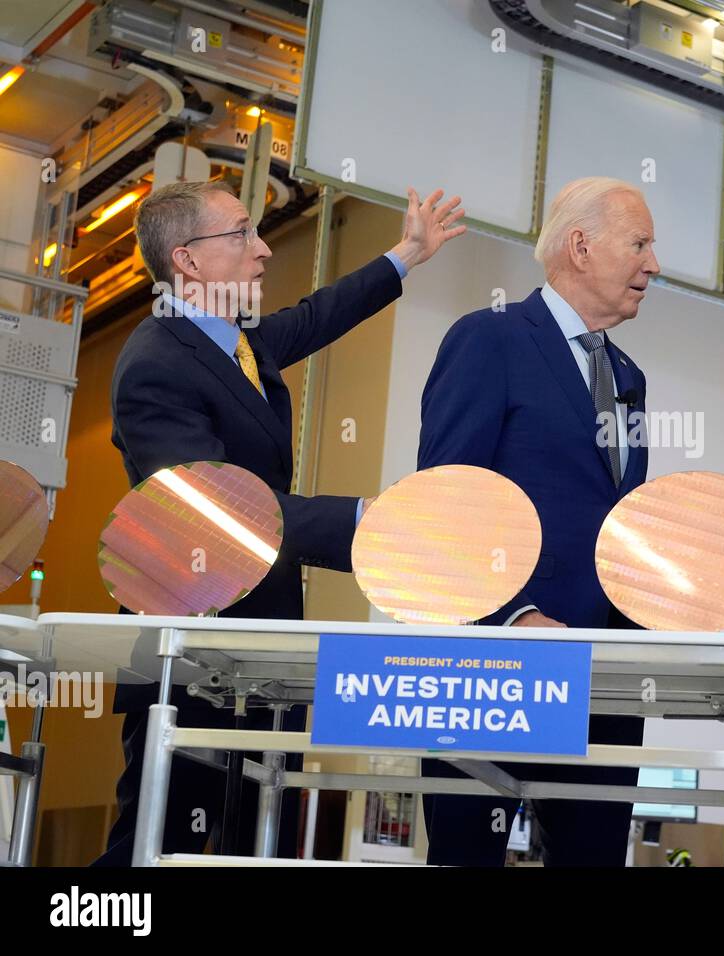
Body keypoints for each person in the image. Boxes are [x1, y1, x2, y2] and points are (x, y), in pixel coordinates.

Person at [98, 178, 466, 864]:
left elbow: (317, 315)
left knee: (250, 839)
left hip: (262, 651)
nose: (262, 251)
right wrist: (366, 523)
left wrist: (407, 255)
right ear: (188, 260)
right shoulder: (155, 365)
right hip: (195, 656)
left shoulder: (241, 344)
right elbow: (213, 512)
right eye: (241, 234)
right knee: (156, 844)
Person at [416, 177, 659, 865]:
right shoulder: (489, 341)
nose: (654, 264)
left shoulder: (630, 378)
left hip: (602, 680)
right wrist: (511, 615)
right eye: (639, 244)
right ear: (581, 247)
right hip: (494, 664)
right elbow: (443, 500)